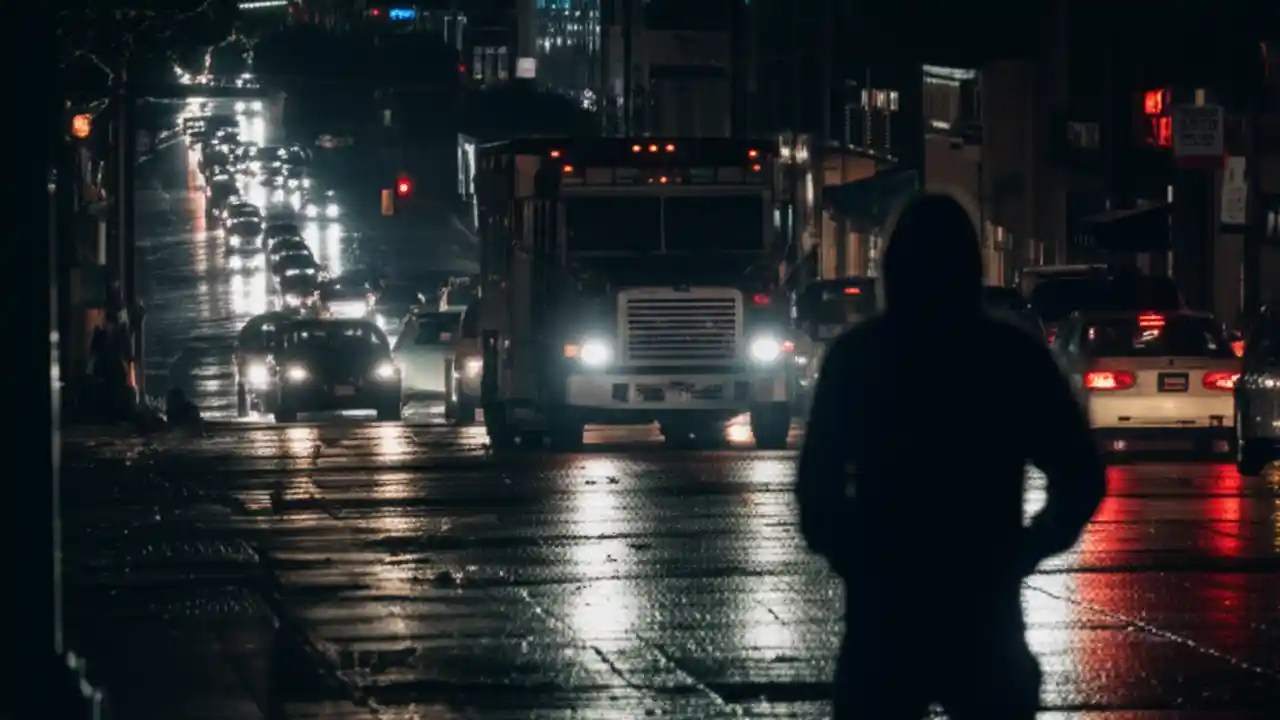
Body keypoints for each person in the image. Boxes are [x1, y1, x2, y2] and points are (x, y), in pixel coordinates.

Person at [796, 192, 1106, 719]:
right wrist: (1029, 547)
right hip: (983, 595)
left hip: (886, 603)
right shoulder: (1010, 357)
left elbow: (817, 483)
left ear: (890, 268)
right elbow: (1079, 472)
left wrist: (852, 555)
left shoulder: (858, 357)